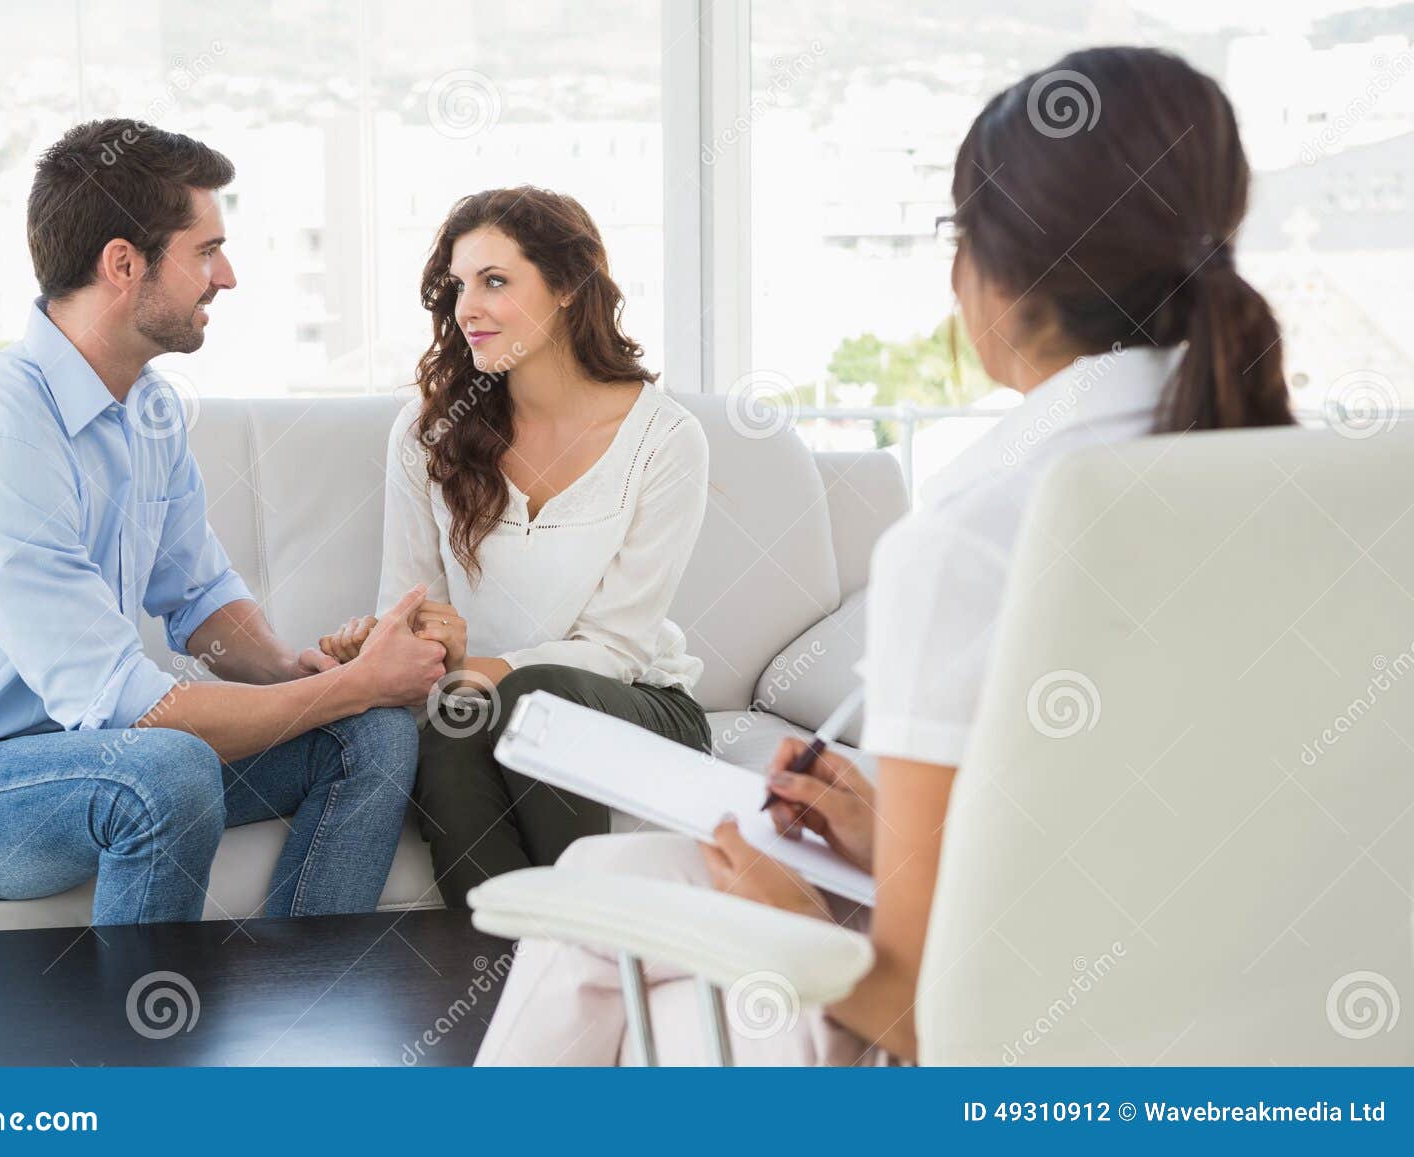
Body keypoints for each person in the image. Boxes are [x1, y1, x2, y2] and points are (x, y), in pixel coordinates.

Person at [473, 46, 1295, 1065]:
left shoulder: (977, 535)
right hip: (1266, 1020)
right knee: (608, 873)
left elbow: (930, 1018)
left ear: (984, 269)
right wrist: (877, 841)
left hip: (1055, 1051)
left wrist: (793, 918)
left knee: (630, 956)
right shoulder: (1310, 493)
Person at [0, 119, 447, 926]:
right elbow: (130, 710)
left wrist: (303, 675)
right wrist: (351, 683)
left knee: (371, 734)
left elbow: (199, 597)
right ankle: (135, 1050)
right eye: (205, 250)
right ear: (122, 265)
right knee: (164, 770)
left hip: (91, 757)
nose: (226, 276)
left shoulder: (150, 409)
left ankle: (297, 1005)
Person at [321, 187, 712, 909]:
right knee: (453, 722)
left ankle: (593, 956)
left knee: (531, 696)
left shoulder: (665, 439)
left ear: (566, 285)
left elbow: (619, 648)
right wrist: (391, 643)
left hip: (635, 703)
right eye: (458, 285)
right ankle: (516, 984)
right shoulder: (428, 431)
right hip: (476, 698)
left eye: (495, 281)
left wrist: (487, 666)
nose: (467, 306)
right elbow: (407, 607)